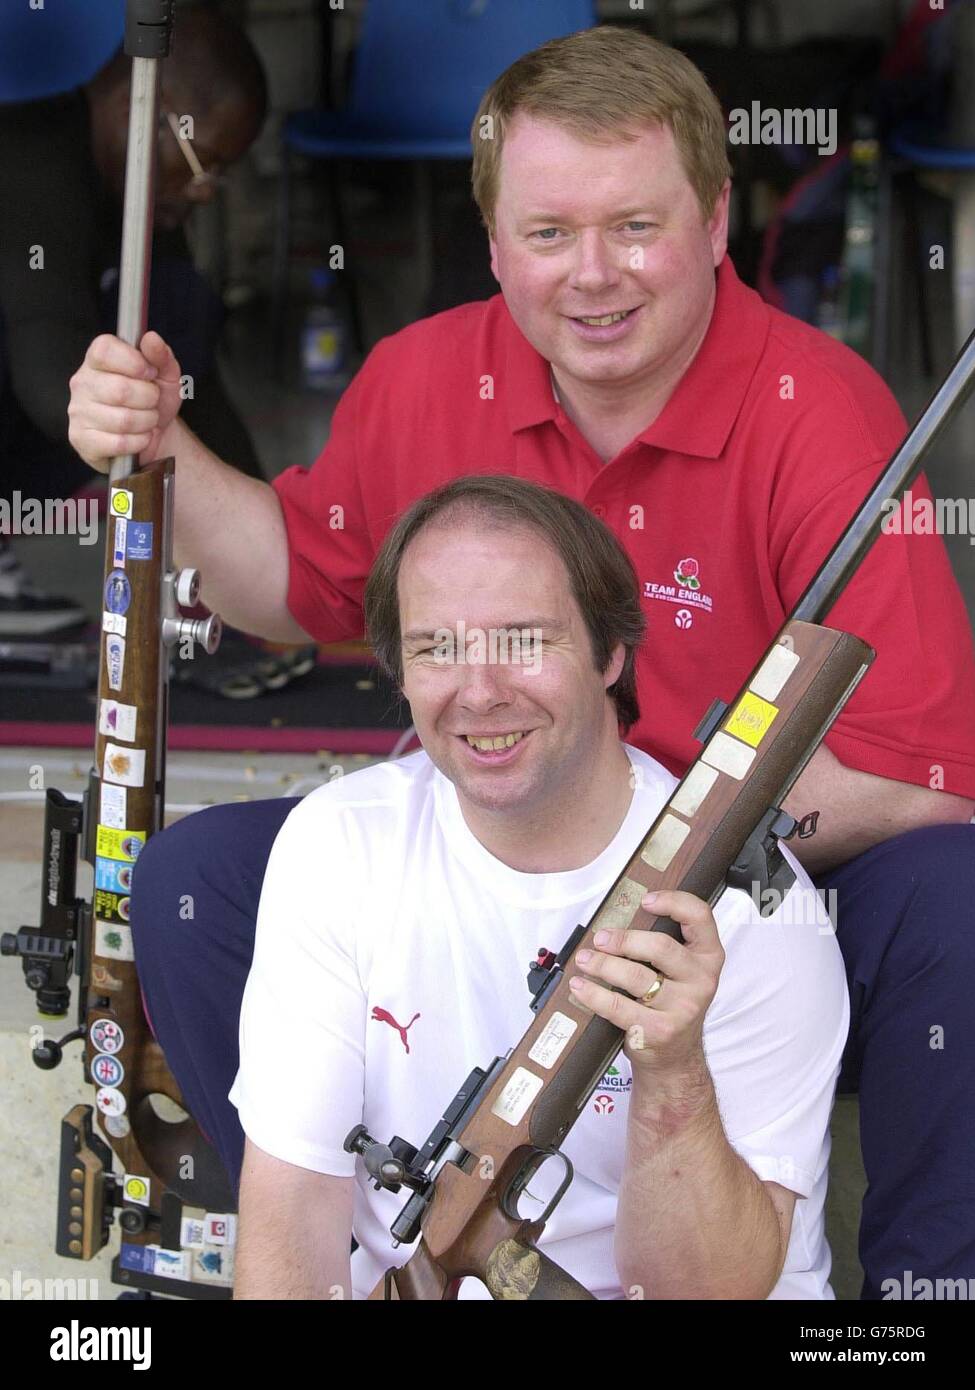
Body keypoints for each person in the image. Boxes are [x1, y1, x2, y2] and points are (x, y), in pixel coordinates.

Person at [67, 27, 975, 1299]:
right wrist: (164, 450)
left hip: (733, 900)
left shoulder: (819, 411)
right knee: (194, 882)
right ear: (494, 240)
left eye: (635, 228)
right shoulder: (423, 373)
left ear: (717, 221)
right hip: (481, 858)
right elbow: (291, 585)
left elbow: (922, 776)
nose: (593, 276)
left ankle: (926, 1300)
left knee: (957, 896)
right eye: (549, 233)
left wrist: (656, 860)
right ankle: (359, 1255)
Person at [230, 474, 847, 1301]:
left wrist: (670, 1073)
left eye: (523, 639)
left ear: (610, 654)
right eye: (436, 647)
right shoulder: (337, 843)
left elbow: (705, 1293)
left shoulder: (753, 907)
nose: (478, 692)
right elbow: (292, 1216)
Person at [0, 2, 267, 634]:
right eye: (206, 163)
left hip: (44, 411)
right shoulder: (31, 165)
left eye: (224, 174)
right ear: (138, 111)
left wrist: (271, 527)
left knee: (170, 313)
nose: (206, 190)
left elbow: (195, 385)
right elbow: (53, 379)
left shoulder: (142, 194)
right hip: (33, 379)